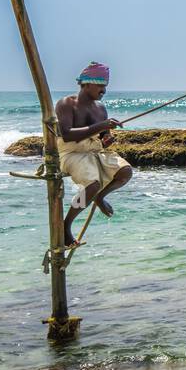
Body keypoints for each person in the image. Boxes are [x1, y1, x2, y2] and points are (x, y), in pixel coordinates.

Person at [56, 61, 133, 246]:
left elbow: (103, 137)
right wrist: (100, 126)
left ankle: (100, 196)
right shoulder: (67, 103)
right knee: (92, 184)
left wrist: (107, 139)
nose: (103, 91)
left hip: (94, 152)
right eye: (100, 86)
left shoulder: (101, 108)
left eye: (105, 87)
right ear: (87, 84)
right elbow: (66, 135)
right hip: (71, 153)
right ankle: (66, 226)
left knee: (125, 172)